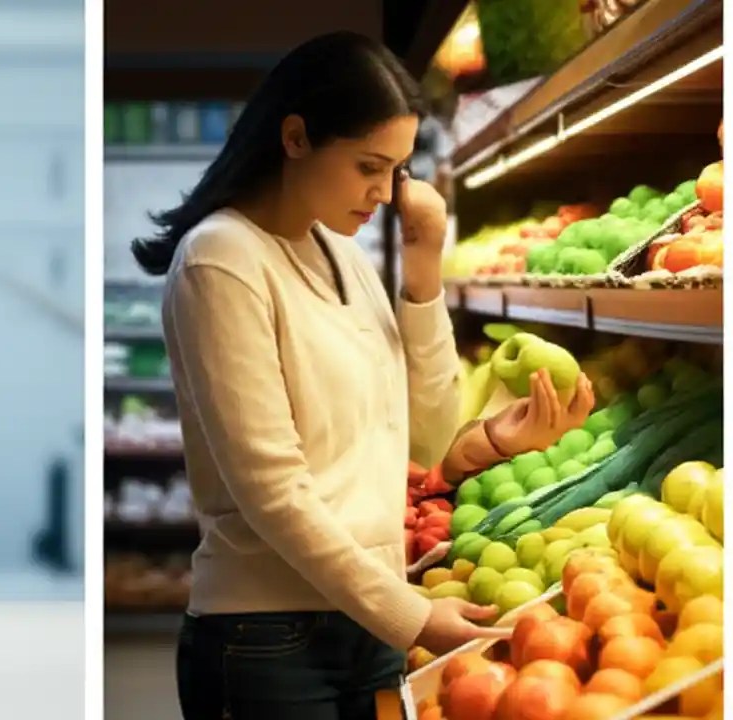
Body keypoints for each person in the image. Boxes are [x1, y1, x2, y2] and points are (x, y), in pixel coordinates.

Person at [131, 32, 595, 720]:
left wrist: (424, 270)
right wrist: (411, 615)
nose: (383, 192)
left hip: (364, 622)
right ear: (295, 138)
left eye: (396, 171)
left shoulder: (338, 252)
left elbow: (425, 434)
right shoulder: (221, 260)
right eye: (367, 166)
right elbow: (271, 491)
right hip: (267, 639)